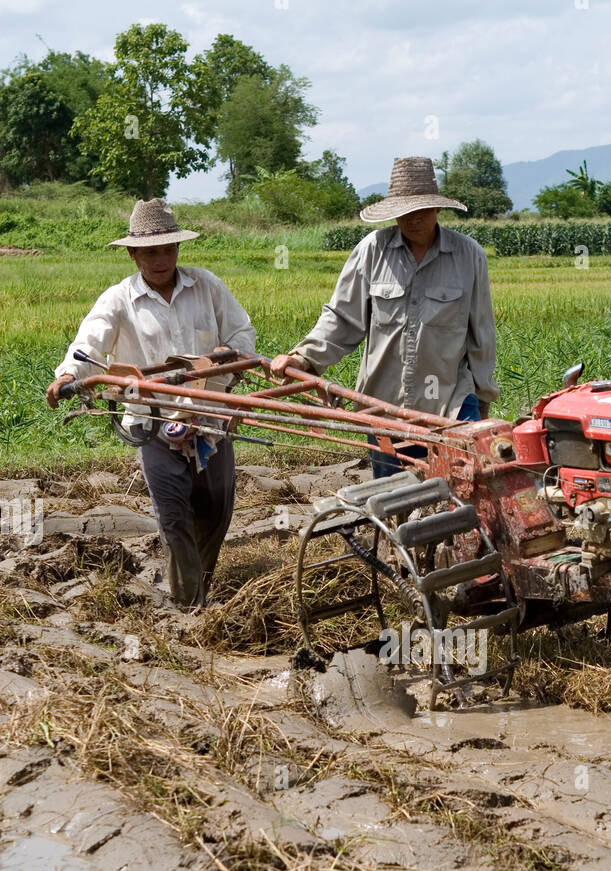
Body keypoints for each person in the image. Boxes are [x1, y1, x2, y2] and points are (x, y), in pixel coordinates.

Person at [47, 198, 255, 607]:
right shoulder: (118, 299)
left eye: (167, 249)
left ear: (178, 249)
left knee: (215, 509)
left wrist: (218, 357)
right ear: (133, 254)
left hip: (210, 417)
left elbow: (242, 337)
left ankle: (198, 585)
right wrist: (70, 376)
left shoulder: (207, 286)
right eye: (149, 252)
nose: (160, 259)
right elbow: (88, 346)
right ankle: (189, 604)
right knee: (173, 514)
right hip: (152, 421)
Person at [270, 156, 498, 478]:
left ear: (437, 209)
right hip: (384, 405)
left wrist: (484, 395)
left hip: (450, 402)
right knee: (394, 498)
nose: (412, 220)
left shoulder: (467, 255)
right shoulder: (373, 251)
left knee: (463, 495)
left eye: (420, 211)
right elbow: (341, 318)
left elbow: (481, 333)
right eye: (404, 212)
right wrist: (303, 357)